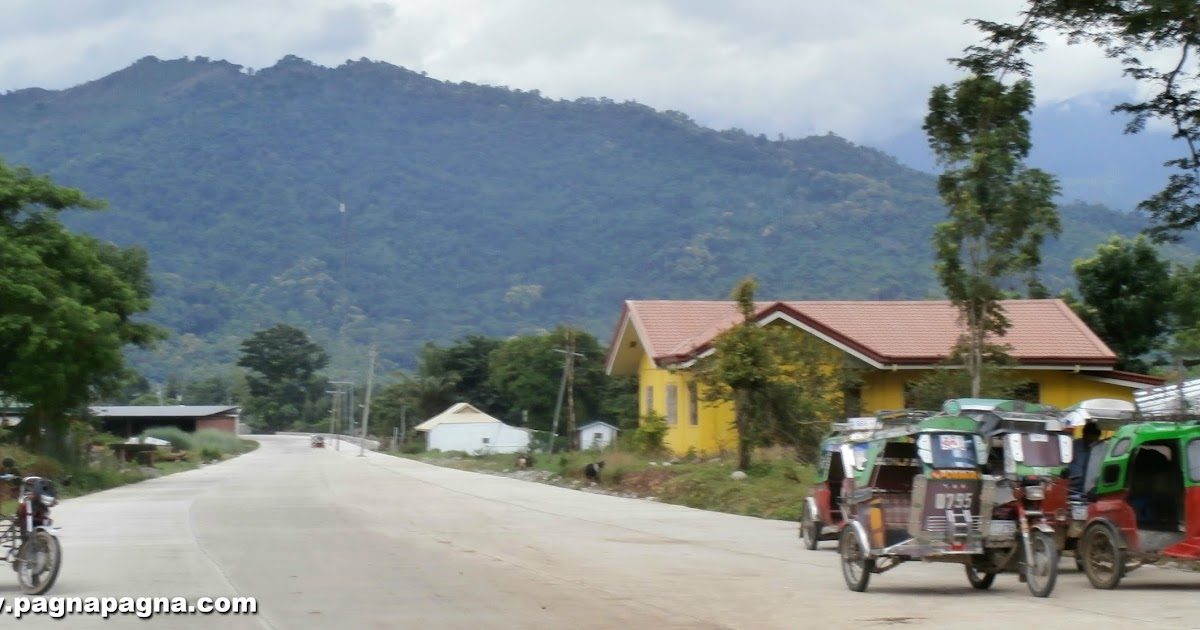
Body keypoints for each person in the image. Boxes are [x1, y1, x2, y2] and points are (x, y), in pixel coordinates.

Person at [1067, 422, 1101, 498]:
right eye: (1088, 438)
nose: (1090, 443)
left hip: (1092, 491)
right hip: (1071, 489)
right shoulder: (1073, 446)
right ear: (1083, 435)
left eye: (1094, 440)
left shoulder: (1103, 449)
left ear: (1098, 437)